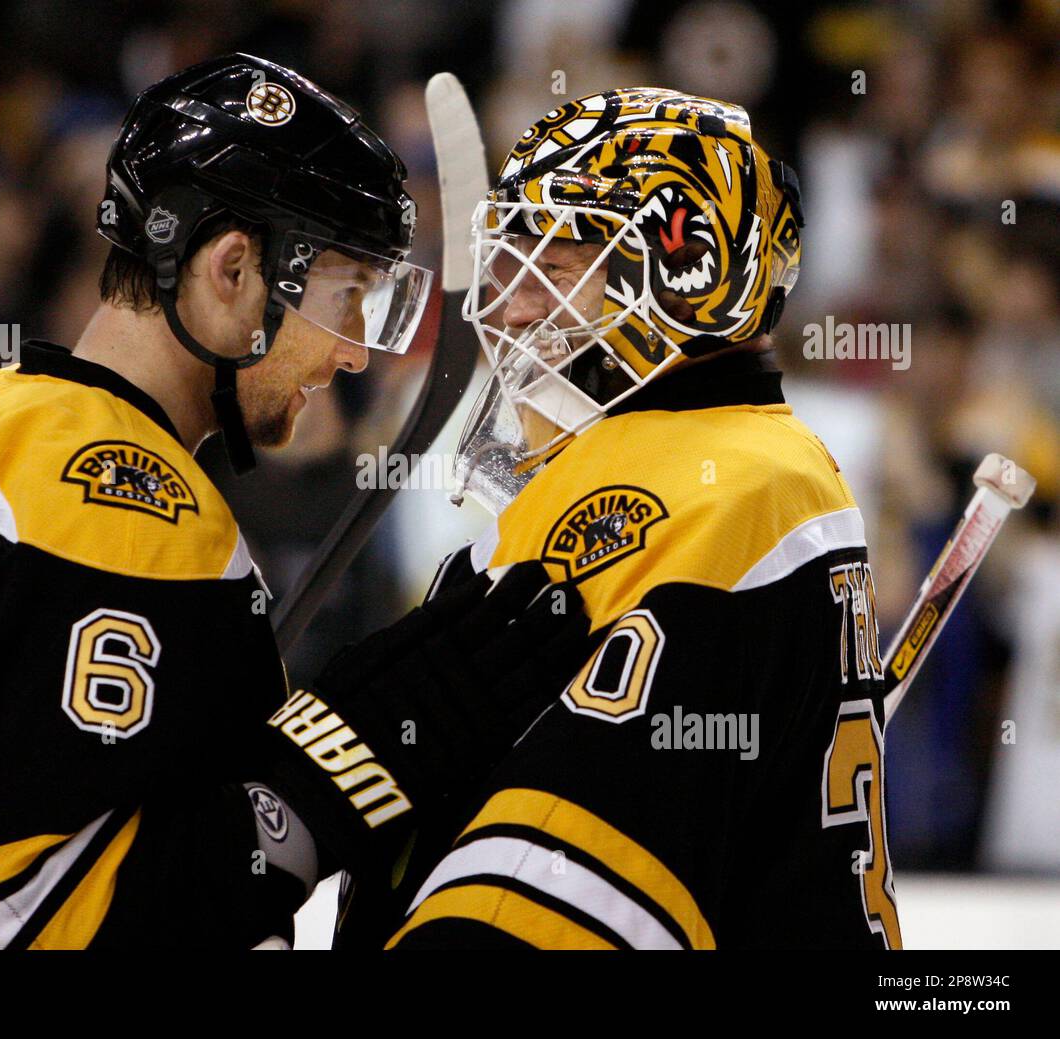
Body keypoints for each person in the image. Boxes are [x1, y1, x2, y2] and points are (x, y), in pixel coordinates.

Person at [0, 54, 591, 949]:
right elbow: (48, 923)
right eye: (350, 297)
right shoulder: (141, 509)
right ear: (232, 270)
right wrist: (333, 767)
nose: (355, 354)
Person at [359, 87, 902, 949]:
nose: (511, 306)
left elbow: (542, 900)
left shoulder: (704, 480)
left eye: (557, 266)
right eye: (512, 261)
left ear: (687, 277)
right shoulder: (735, 463)